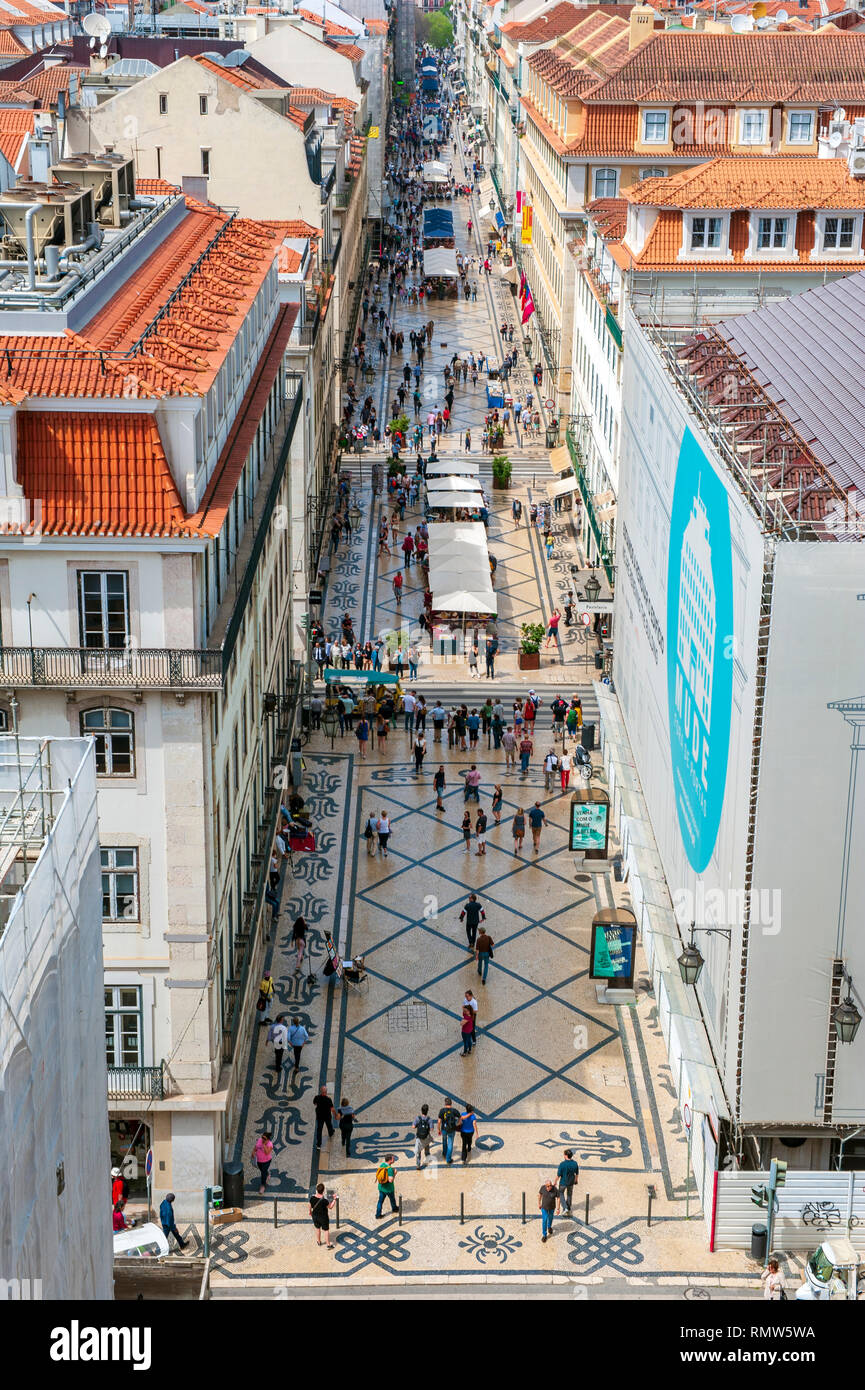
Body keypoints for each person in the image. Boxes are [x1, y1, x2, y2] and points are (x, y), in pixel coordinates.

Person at [309, 1184, 336, 1249]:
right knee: (326, 1230)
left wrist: (310, 1212)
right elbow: (330, 1207)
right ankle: (328, 1245)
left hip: (315, 1216)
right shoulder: (324, 1201)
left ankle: (319, 1242)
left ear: (317, 1190)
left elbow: (309, 1206)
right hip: (323, 1217)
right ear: (323, 1191)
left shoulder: (312, 1198)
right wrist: (334, 1200)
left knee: (317, 1228)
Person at [438, 1097, 461, 1165]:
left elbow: (439, 1121)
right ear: (451, 1103)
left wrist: (438, 1129)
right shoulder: (454, 1111)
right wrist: (458, 1124)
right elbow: (460, 1118)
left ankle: (444, 1153)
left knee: (444, 1140)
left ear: (445, 1103)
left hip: (444, 1129)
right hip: (452, 1129)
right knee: (450, 1143)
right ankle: (448, 1159)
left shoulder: (442, 1110)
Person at [557, 1149, 580, 1216]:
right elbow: (577, 1173)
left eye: (564, 1154)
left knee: (561, 1194)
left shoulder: (562, 1164)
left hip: (563, 1182)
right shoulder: (575, 1163)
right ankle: (569, 1208)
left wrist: (555, 1182)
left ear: (566, 1155)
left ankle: (565, 1207)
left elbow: (558, 1175)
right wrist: (576, 1180)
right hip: (571, 1182)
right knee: (569, 1195)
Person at [375, 1155, 398, 1219]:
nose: (394, 1159)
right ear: (390, 1160)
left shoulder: (382, 1165)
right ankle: (394, 1209)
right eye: (393, 1159)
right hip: (389, 1189)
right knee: (392, 1199)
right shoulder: (389, 1169)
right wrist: (395, 1173)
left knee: (380, 1201)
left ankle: (378, 1215)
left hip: (381, 1187)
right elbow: (390, 1180)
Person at [538, 1178, 559, 1242]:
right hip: (544, 1208)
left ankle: (549, 1227)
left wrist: (558, 1208)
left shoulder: (555, 1189)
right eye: (548, 1186)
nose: (549, 1187)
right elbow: (540, 1195)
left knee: (550, 1218)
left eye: (550, 1185)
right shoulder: (542, 1188)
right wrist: (539, 1203)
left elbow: (558, 1198)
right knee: (545, 1220)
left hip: (552, 1208)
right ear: (545, 1186)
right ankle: (544, 1235)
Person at [413, 1104, 433, 1169]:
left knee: (418, 1151)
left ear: (421, 1110)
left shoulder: (417, 1118)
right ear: (427, 1111)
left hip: (419, 1138)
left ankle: (418, 1165)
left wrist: (417, 1126)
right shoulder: (429, 1119)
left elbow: (413, 1126)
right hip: (426, 1138)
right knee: (427, 1151)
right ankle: (427, 1162)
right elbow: (431, 1129)